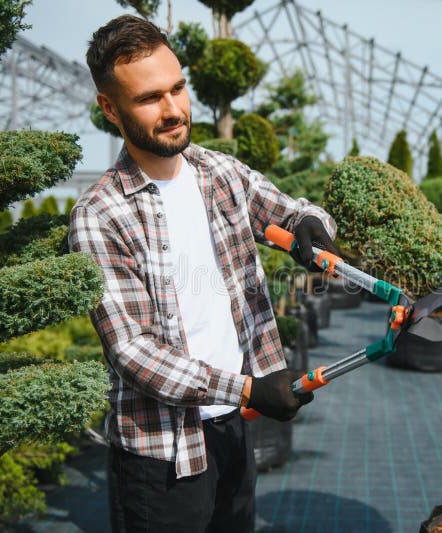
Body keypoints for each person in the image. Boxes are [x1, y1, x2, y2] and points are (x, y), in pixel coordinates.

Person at [68, 14, 338, 533]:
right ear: (110, 107)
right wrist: (245, 389)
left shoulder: (221, 173)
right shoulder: (99, 214)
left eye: (178, 88)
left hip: (234, 432)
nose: (173, 110)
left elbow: (290, 210)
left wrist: (308, 223)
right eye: (149, 98)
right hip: (160, 454)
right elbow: (132, 351)